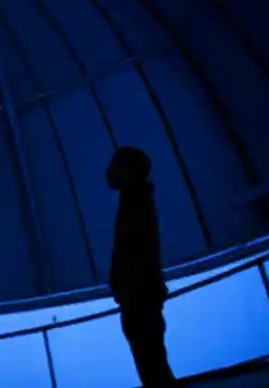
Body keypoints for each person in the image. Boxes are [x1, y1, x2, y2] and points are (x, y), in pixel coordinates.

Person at [107, 146, 177, 387]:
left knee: (151, 362)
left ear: (128, 169)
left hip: (139, 296)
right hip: (140, 294)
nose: (109, 172)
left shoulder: (134, 201)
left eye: (116, 165)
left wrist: (128, 288)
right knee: (152, 360)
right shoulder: (136, 200)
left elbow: (134, 250)